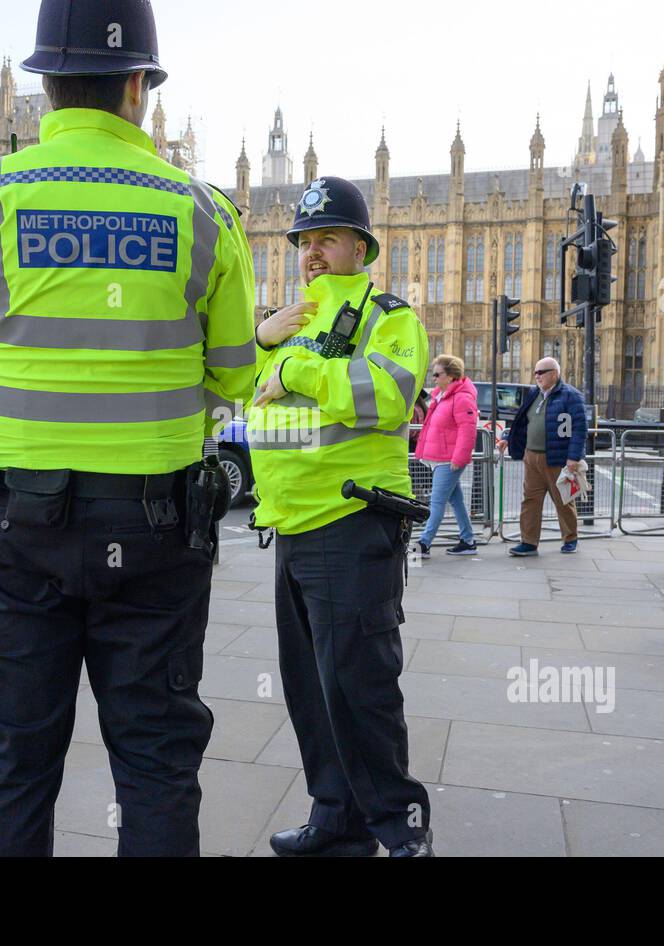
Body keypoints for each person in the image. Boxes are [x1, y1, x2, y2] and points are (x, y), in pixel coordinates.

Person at [0, 0, 255, 857]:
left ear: (43, 86)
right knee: (155, 765)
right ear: (139, 87)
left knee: (11, 761)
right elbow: (232, 375)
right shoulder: (205, 213)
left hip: (16, 527)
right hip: (156, 531)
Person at [249, 174, 432, 857]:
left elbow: (387, 394)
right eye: (304, 240)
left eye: (328, 238)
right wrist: (263, 347)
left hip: (352, 523)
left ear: (361, 247)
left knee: (361, 688)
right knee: (312, 691)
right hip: (291, 525)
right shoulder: (288, 324)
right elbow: (252, 411)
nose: (313, 252)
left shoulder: (389, 317)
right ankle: (336, 818)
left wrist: (295, 373)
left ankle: (402, 829)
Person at [501, 357, 586, 556]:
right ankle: (529, 542)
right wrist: (508, 438)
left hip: (557, 457)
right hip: (531, 457)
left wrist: (573, 457)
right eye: (535, 372)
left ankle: (570, 538)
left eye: (541, 372)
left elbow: (579, 429)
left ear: (554, 374)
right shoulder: (533, 394)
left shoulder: (571, 396)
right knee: (530, 500)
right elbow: (521, 421)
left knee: (563, 501)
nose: (537, 376)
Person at [414, 354, 478, 556]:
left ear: (450, 376)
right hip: (441, 457)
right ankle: (468, 540)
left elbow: (468, 431)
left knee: (437, 501)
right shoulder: (442, 397)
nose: (433, 378)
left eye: (437, 374)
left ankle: (423, 543)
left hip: (449, 459)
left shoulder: (462, 398)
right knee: (455, 500)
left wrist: (459, 459)